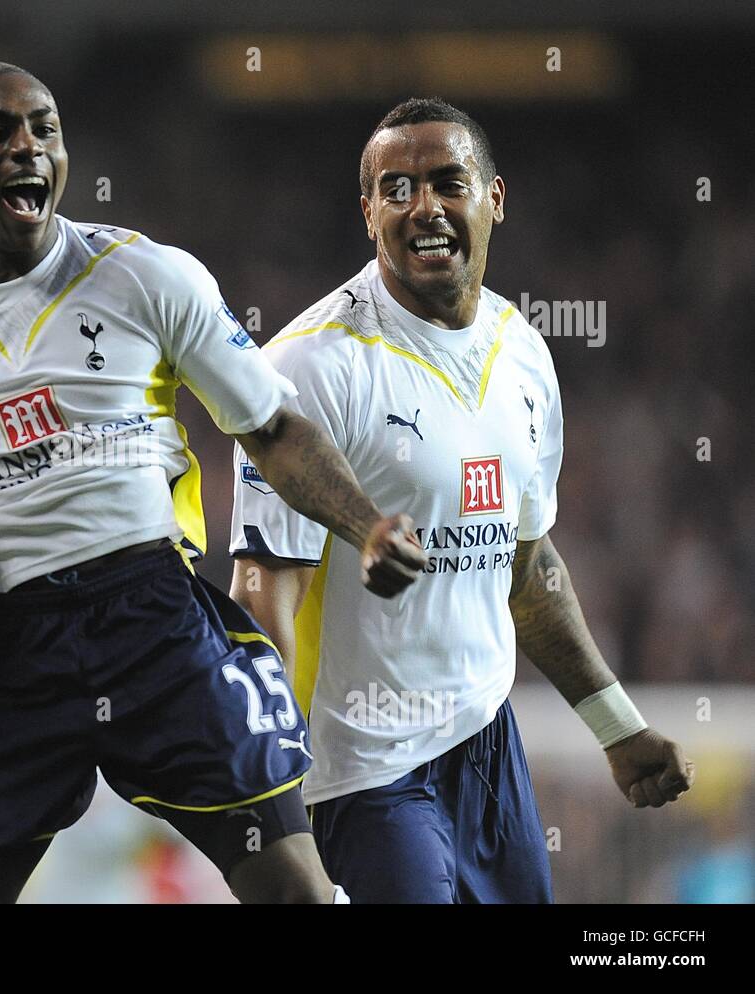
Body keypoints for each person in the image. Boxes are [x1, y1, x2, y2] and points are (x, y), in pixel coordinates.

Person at [0, 63, 425, 905]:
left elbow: (272, 428)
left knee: (294, 890)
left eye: (44, 129)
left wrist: (366, 523)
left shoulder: (145, 275)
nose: (28, 148)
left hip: (151, 620)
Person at [230, 98, 695, 903]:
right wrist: (273, 803)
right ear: (368, 211)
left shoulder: (522, 351)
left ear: (495, 198)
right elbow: (262, 589)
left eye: (448, 182)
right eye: (398, 187)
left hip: (487, 750)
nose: (424, 207)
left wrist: (617, 727)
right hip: (362, 773)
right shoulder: (307, 370)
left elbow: (527, 569)